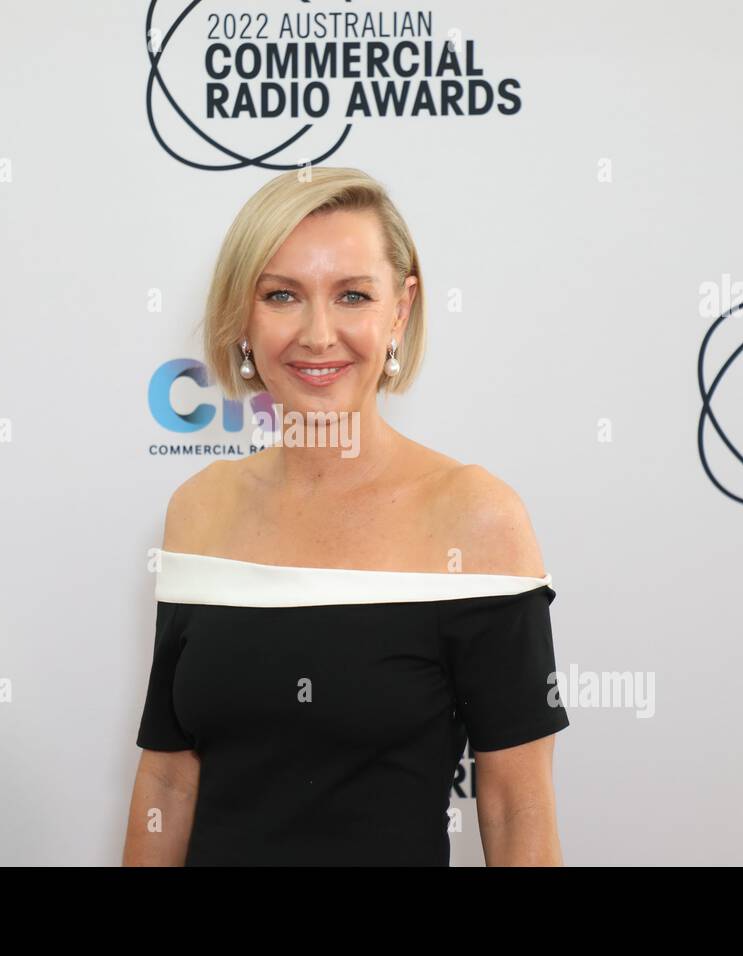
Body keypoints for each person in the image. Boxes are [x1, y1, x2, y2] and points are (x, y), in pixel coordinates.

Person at [122, 167, 569, 866]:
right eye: (281, 296)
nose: (318, 334)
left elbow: (519, 811)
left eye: (353, 295)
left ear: (400, 309)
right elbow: (170, 779)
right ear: (244, 313)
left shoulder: (474, 516)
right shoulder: (199, 509)